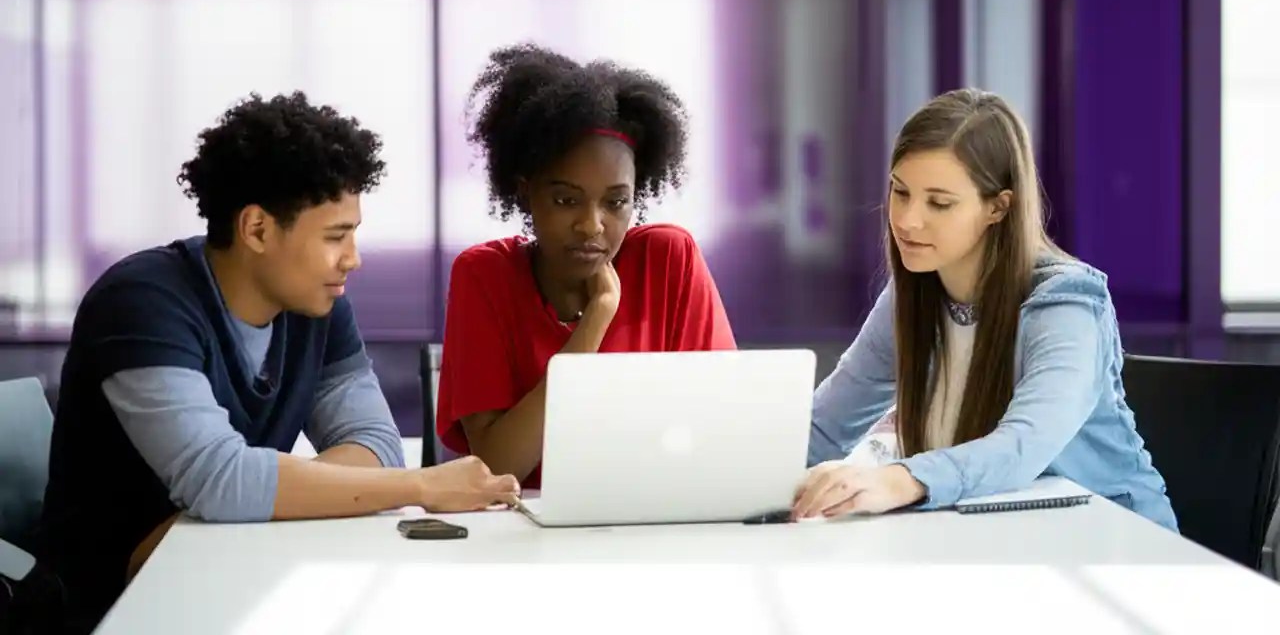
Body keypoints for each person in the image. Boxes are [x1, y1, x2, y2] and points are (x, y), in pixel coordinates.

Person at [38, 92, 519, 633]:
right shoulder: (142, 303)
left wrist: (257, 491)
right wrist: (421, 486)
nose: (353, 258)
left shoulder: (315, 302)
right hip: (118, 599)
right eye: (336, 236)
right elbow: (221, 479)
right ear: (258, 229)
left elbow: (377, 445)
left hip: (232, 566)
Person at [796, 89, 1176, 530]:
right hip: (992, 539)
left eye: (939, 203)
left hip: (1117, 543)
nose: (907, 220)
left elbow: (1023, 445)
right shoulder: (911, 293)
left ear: (998, 207)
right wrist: (724, 479)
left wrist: (898, 480)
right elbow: (826, 427)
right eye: (900, 192)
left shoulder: (1068, 303)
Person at [436, 44, 737, 489]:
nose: (592, 225)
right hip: (518, 534)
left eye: (616, 202)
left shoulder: (669, 259)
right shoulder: (484, 275)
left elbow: (725, 430)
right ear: (525, 192)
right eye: (565, 200)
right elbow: (499, 466)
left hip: (658, 520)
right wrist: (596, 318)